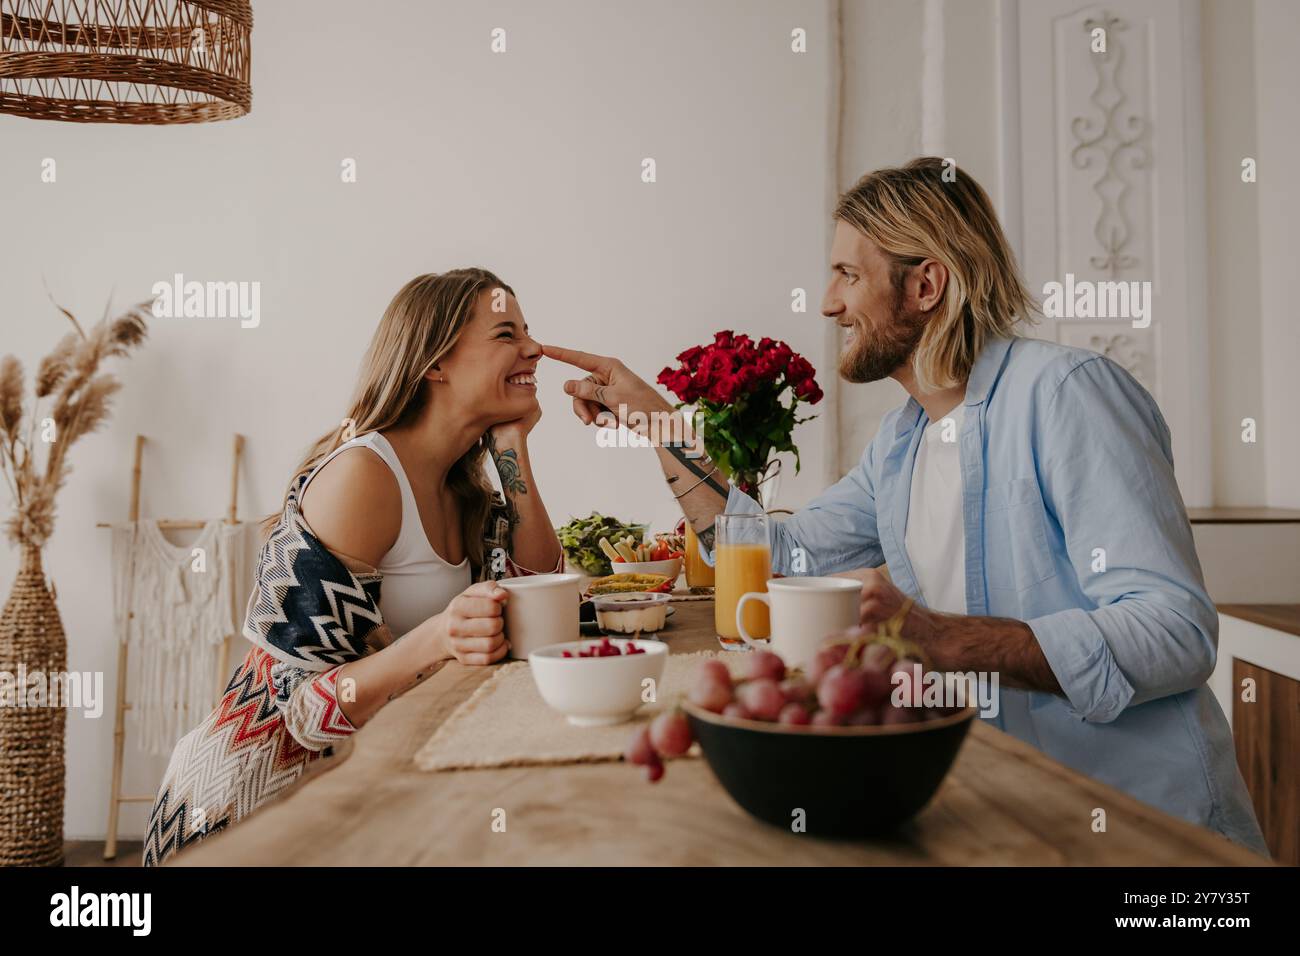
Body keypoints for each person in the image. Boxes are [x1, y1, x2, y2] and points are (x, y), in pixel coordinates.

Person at [543, 158, 1268, 855]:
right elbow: (769, 557)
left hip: (1143, 839)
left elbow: (1175, 631)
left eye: (847, 275)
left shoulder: (1066, 394)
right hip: (999, 820)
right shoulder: (902, 443)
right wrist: (659, 422)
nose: (827, 303)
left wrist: (936, 637)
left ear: (925, 286)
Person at [143, 268, 562, 865]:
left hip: (351, 800)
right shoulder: (364, 478)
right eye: (505, 334)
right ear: (436, 361)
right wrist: (439, 637)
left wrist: (513, 449)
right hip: (244, 810)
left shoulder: (459, 486)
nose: (533, 349)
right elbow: (304, 710)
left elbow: (540, 595)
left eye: (529, 331)